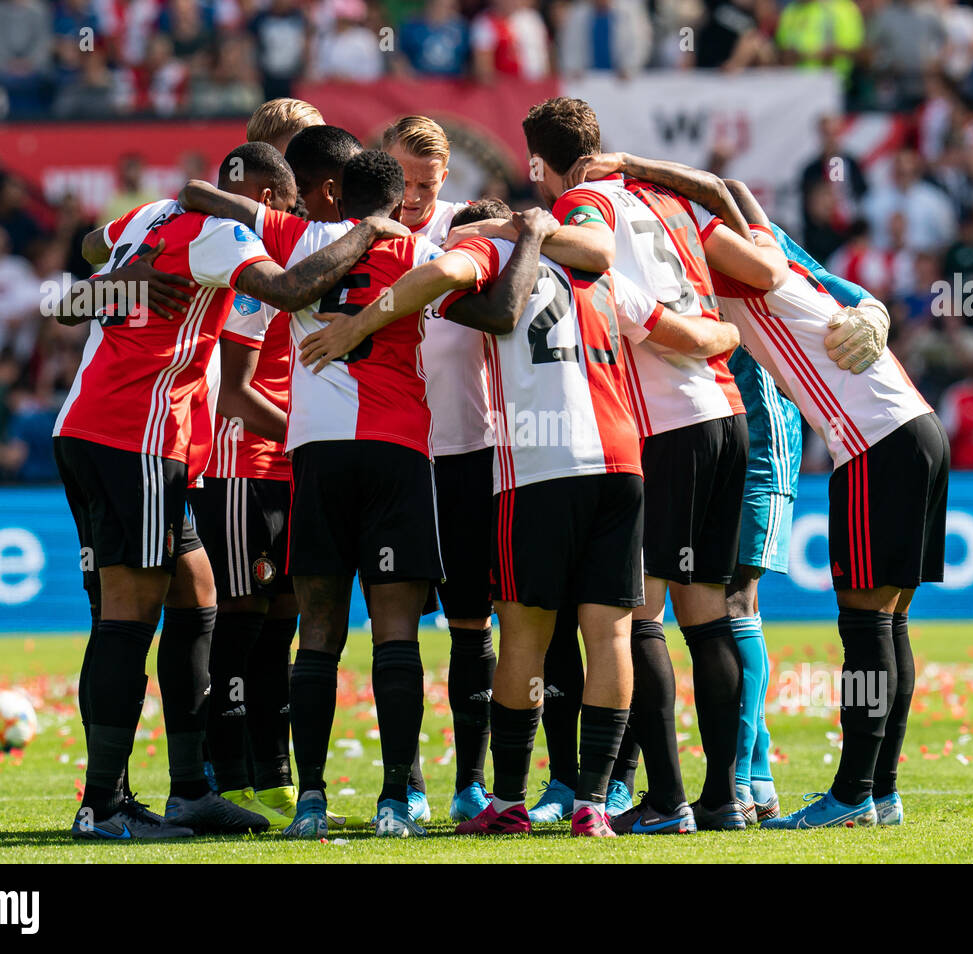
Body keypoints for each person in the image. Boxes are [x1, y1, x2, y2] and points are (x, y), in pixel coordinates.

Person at [295, 198, 742, 836]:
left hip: (536, 468)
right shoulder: (599, 272)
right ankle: (594, 802)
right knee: (612, 632)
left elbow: (437, 278)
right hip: (621, 462)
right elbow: (693, 337)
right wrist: (732, 331)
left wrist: (356, 325)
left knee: (524, 632)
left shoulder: (488, 254)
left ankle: (505, 801)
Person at [54, 142, 404, 839]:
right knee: (128, 610)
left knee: (197, 590)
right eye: (289, 205)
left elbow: (82, 266)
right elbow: (289, 289)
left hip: (93, 425)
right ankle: (103, 804)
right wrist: (367, 232)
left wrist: (118, 283)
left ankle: (189, 791)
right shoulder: (224, 234)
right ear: (270, 200)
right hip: (135, 433)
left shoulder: (150, 216)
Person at [184, 150, 442, 839]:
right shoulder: (420, 248)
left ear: (333, 193)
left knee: (317, 635)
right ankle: (396, 801)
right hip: (398, 451)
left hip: (317, 456)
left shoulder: (294, 236)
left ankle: (311, 801)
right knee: (396, 633)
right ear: (397, 200)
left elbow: (207, 196)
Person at [709, 183, 949, 829]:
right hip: (917, 430)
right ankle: (881, 792)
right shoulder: (785, 268)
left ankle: (850, 796)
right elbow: (735, 199)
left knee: (866, 630)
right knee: (889, 627)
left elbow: (723, 198)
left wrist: (633, 167)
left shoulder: (740, 267)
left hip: (874, 445)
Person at [381, 115, 491, 823]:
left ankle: (471, 783)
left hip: (469, 455)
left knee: (472, 627)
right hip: (393, 458)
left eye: (426, 183)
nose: (414, 196)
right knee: (397, 628)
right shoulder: (358, 235)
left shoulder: (469, 232)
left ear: (445, 178)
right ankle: (406, 783)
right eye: (403, 182)